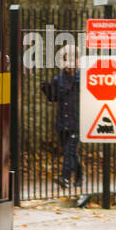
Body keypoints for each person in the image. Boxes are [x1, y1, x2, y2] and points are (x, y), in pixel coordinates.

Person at [40, 42, 82, 192]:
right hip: (62, 121)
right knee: (70, 151)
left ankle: (65, 177)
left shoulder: (83, 78)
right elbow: (54, 97)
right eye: (66, 58)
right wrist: (46, 89)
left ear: (78, 60)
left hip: (78, 121)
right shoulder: (59, 79)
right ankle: (79, 175)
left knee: (70, 150)